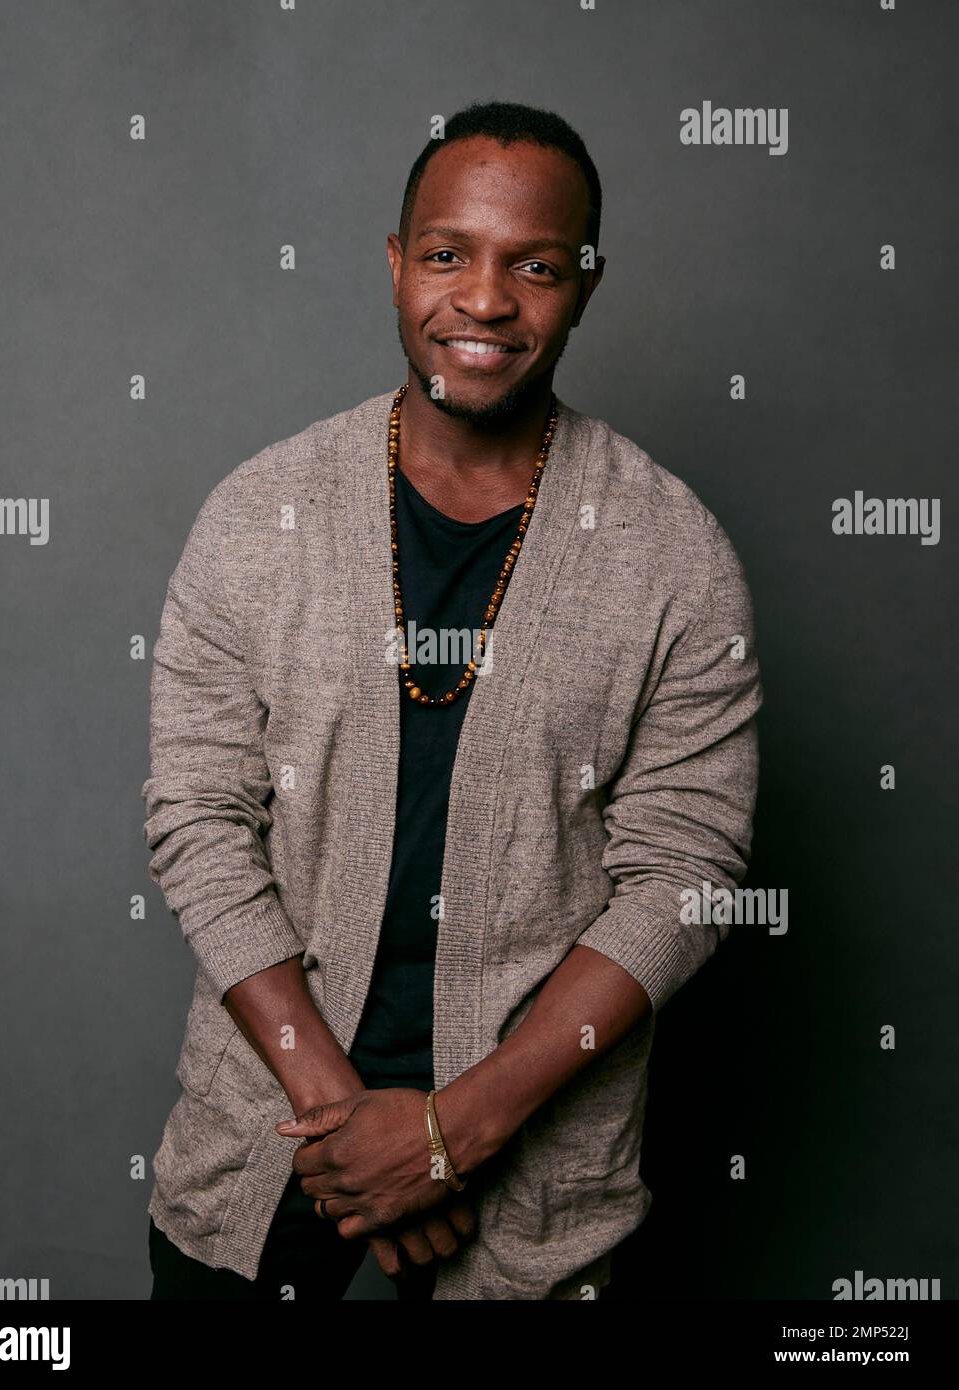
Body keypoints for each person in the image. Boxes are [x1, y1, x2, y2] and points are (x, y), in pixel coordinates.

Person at [141, 100, 763, 1301]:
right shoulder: (255, 516)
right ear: (394, 264)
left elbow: (682, 873)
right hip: (266, 1138)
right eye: (445, 254)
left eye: (532, 265)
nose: (483, 300)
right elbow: (198, 824)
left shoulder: (675, 554)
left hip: (535, 1172)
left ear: (583, 282)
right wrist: (350, 1132)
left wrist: (453, 1133)